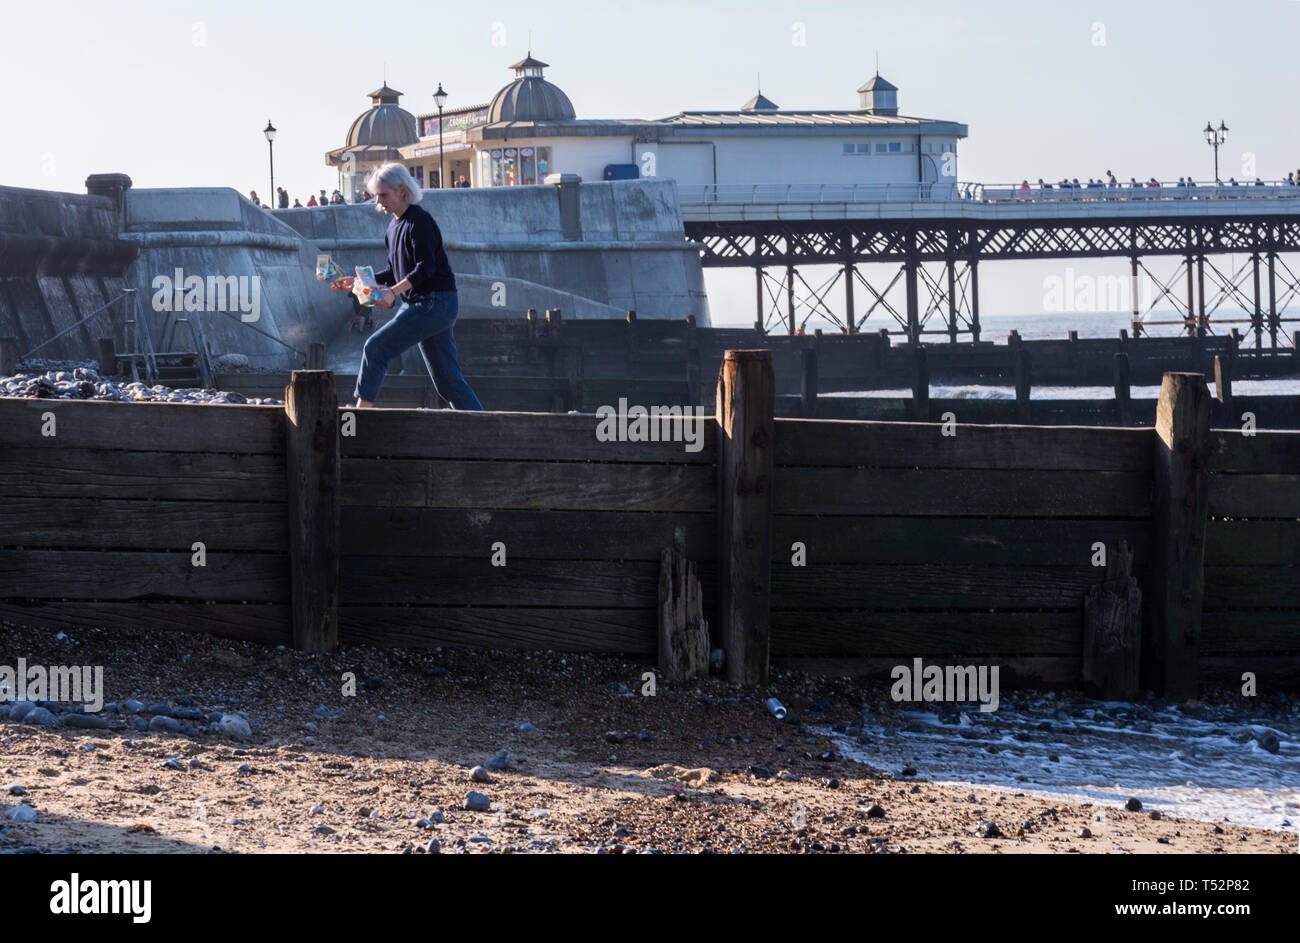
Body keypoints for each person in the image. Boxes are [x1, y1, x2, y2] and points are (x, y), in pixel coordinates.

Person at [339, 162, 483, 411]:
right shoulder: (393, 227)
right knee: (448, 382)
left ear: (403, 191)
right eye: (377, 196)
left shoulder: (420, 221)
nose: (379, 202)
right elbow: (394, 272)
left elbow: (425, 268)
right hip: (423, 304)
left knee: (376, 348)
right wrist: (358, 283)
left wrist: (394, 291)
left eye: (384, 195)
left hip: (435, 302)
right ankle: (483, 432)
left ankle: (360, 414)